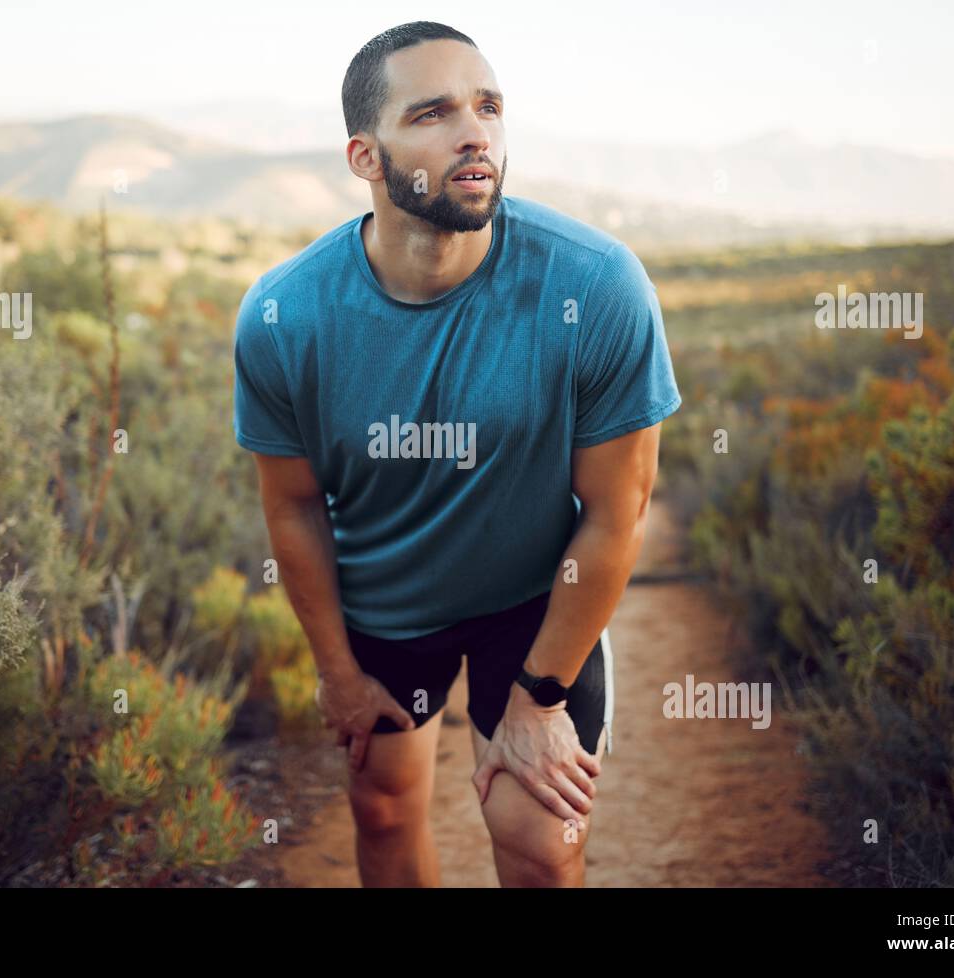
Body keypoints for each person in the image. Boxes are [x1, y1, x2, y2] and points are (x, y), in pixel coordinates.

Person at [232, 21, 680, 887]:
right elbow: (290, 504)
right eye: (433, 112)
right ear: (366, 156)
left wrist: (540, 699)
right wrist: (337, 674)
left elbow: (617, 512)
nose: (476, 132)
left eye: (489, 107)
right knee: (386, 809)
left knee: (540, 833)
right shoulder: (286, 316)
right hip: (387, 601)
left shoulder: (595, 285)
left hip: (534, 602)